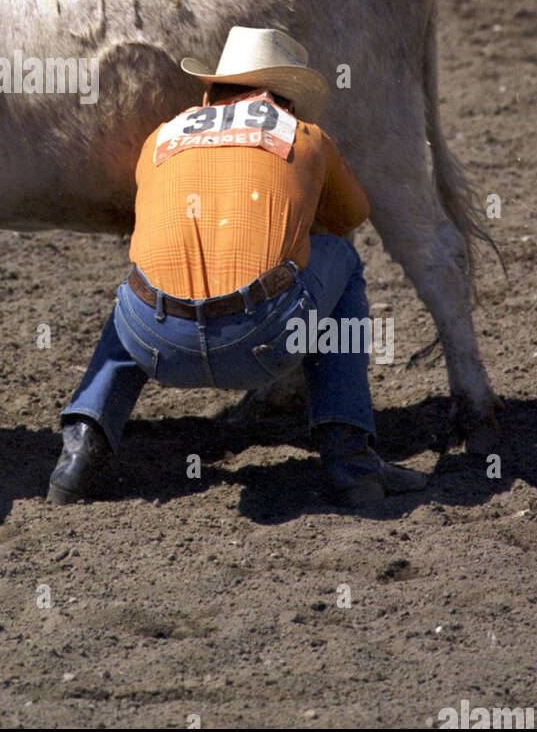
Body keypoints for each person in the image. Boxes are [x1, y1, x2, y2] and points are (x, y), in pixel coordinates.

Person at [47, 27, 428, 510]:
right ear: (284, 101)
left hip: (157, 344)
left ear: (211, 90)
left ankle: (79, 452)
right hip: (262, 339)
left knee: (139, 288)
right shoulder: (304, 137)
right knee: (343, 260)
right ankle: (350, 460)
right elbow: (349, 217)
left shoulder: (160, 137)